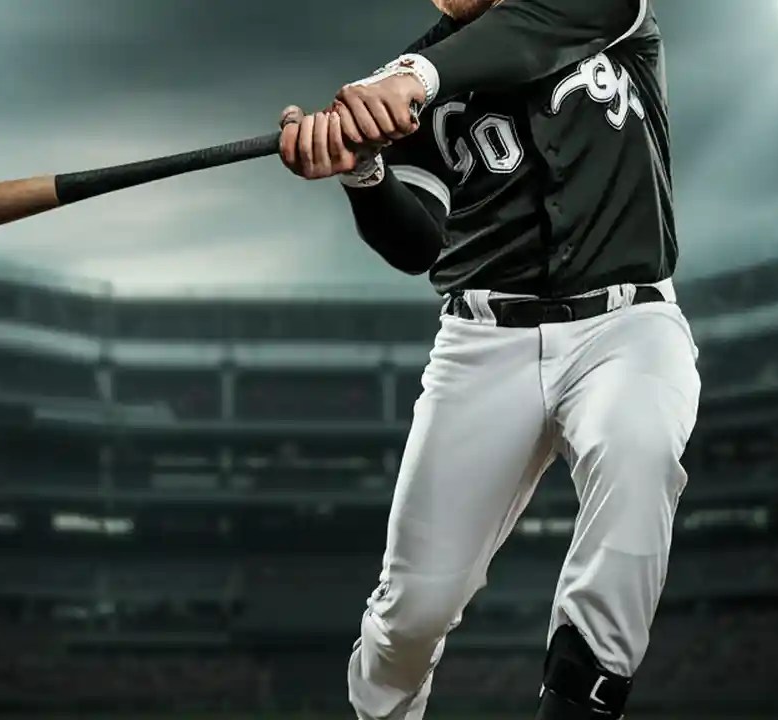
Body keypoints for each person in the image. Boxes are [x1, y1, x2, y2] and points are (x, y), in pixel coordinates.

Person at [277, 1, 700, 718]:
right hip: (482, 346)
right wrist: (365, 173)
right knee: (414, 610)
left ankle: (583, 699)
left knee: (639, 449)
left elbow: (528, 34)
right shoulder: (395, 89)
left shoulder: (598, 7)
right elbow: (416, 245)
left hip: (628, 326)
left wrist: (413, 77)